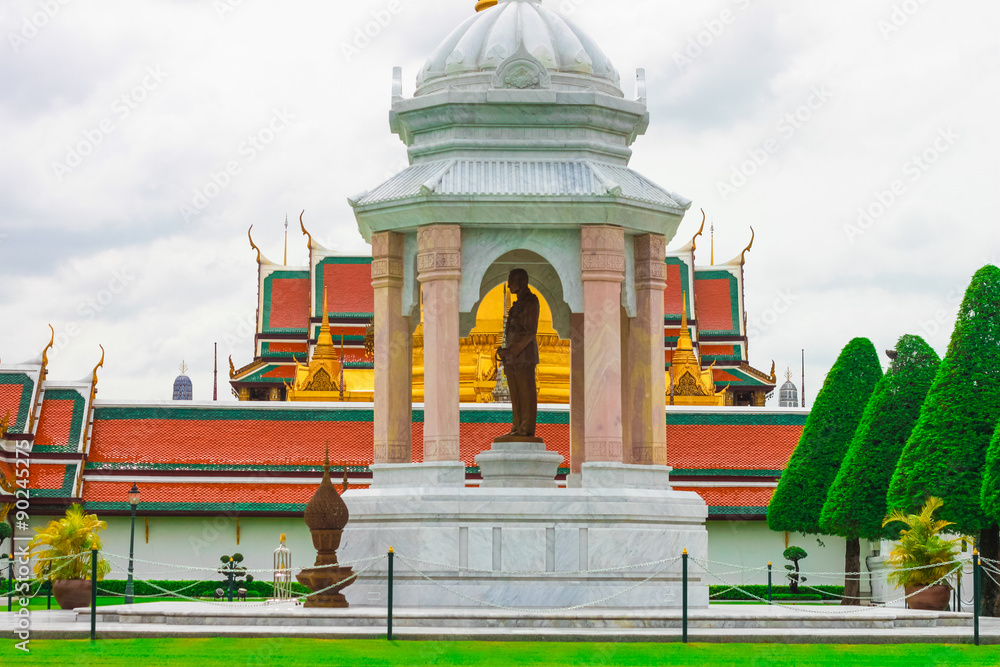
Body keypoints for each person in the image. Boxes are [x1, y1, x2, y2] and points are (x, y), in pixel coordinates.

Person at [496, 269, 539, 438]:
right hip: (512, 358)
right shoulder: (516, 305)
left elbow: (530, 332)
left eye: (511, 280)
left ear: (520, 282)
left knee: (526, 392)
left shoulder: (531, 302)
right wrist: (506, 352)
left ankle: (526, 429)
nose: (509, 284)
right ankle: (516, 427)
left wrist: (511, 350)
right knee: (515, 393)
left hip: (524, 356)